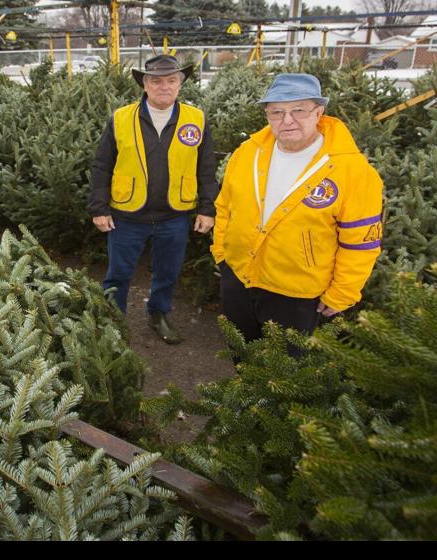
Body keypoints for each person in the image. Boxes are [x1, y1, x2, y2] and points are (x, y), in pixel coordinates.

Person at [211, 73, 384, 353]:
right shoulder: (247, 153)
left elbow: (361, 242)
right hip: (239, 279)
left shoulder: (351, 170)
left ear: (319, 112)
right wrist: (222, 254)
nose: (287, 120)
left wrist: (343, 292)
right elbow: (224, 207)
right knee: (242, 353)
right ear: (267, 115)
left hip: (297, 294)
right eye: (277, 112)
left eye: (298, 110)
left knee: (287, 368)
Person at [88, 55, 218, 345]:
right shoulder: (121, 118)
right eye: (156, 80)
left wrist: (208, 209)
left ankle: (158, 314)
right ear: (144, 84)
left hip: (175, 215)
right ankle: (113, 322)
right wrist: (98, 207)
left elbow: (206, 168)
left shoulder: (196, 119)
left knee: (168, 272)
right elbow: (102, 165)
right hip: (127, 215)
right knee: (118, 273)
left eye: (171, 80)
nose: (164, 86)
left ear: (180, 84)